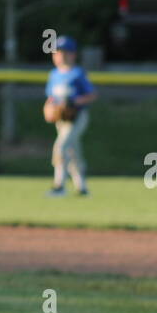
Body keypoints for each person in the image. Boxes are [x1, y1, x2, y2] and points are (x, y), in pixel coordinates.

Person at [43, 35, 97, 197]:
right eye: (57, 52)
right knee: (73, 152)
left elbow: (92, 95)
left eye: (65, 52)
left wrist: (75, 102)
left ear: (73, 54)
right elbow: (50, 99)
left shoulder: (77, 73)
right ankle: (82, 188)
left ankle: (59, 186)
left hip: (77, 118)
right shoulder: (53, 75)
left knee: (61, 147)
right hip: (61, 120)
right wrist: (47, 111)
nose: (60, 55)